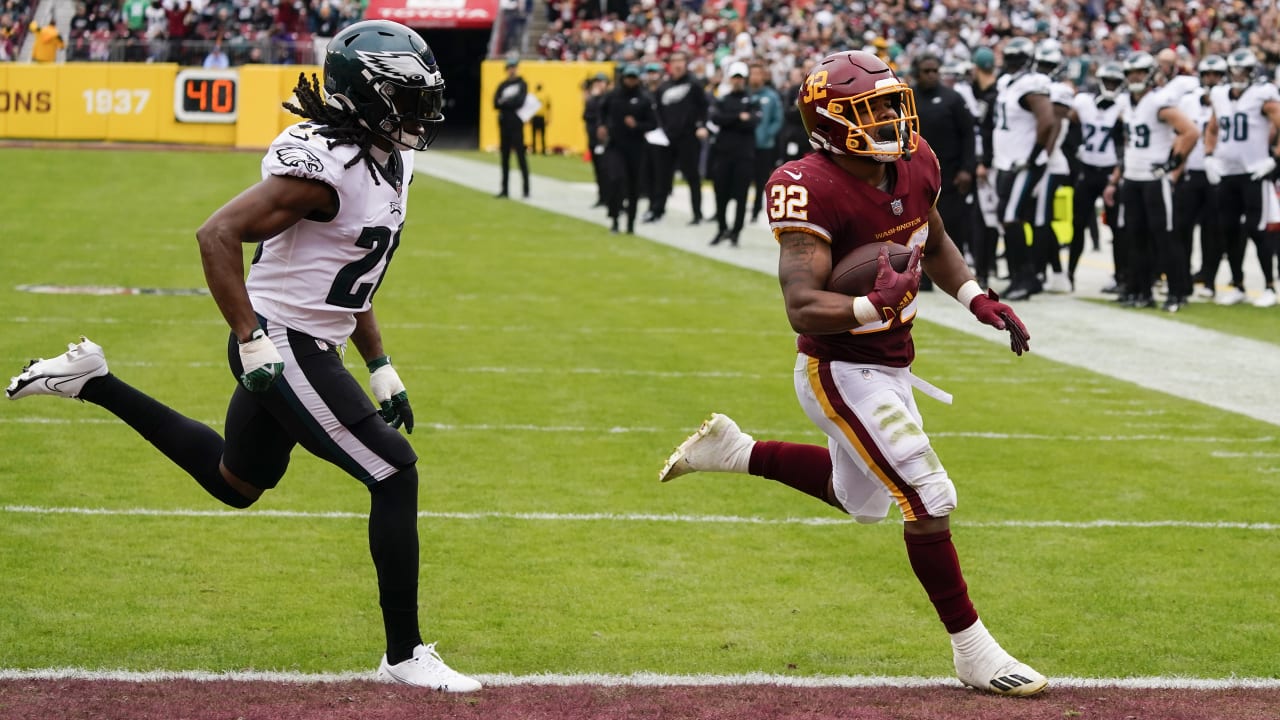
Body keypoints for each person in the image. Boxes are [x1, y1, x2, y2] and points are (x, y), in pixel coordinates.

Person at [4, 20, 480, 693]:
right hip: (283, 343)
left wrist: (379, 363)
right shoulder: (327, 170)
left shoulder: (387, 158)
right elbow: (216, 233)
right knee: (394, 472)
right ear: (365, 97)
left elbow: (351, 275)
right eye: (406, 97)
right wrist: (252, 338)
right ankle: (402, 654)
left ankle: (94, 382)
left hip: (317, 341)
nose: (421, 112)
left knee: (236, 483)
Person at [658, 50, 1041, 698]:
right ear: (831, 123)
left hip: (892, 362)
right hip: (838, 367)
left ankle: (737, 452)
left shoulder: (916, 160)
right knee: (928, 492)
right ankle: (973, 651)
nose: (893, 116)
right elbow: (801, 304)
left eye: (894, 103)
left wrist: (977, 296)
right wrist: (873, 304)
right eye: (874, 108)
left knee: (858, 501)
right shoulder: (806, 184)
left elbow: (935, 238)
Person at [1105, 51, 1199, 312]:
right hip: (1132, 178)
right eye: (1131, 73)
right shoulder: (1125, 102)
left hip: (1154, 179)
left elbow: (1190, 131)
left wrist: (1172, 164)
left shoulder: (1159, 101)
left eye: (1139, 72)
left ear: (1149, 74)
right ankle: (1142, 290)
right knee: (1136, 237)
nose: (1135, 77)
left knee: (1165, 236)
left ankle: (1177, 293)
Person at [1203, 48, 1280, 308]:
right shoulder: (1220, 96)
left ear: (1251, 71)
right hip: (1227, 172)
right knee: (1229, 231)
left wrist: (1275, 158)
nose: (1238, 75)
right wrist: (1209, 156)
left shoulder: (1262, 95)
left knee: (1259, 231)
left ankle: (1269, 285)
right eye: (1234, 70)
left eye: (1243, 70)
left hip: (1255, 172)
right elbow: (1212, 129)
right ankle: (1237, 284)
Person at [991, 37, 1059, 301]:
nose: (1012, 64)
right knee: (1007, 218)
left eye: (1016, 59)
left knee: (1010, 217)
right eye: (1009, 58)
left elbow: (1047, 122)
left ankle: (1026, 277)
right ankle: (1023, 275)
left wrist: (1032, 157)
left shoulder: (1032, 84)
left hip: (1023, 163)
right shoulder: (1007, 83)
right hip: (1006, 161)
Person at [911, 52, 976, 292]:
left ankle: (955, 276)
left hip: (948, 172)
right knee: (918, 226)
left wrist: (967, 168)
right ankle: (922, 276)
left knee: (951, 226)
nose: (932, 75)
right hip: (916, 174)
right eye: (927, 71)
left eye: (935, 71)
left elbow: (968, 134)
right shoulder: (909, 98)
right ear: (917, 73)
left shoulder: (952, 99)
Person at [1069, 62, 1125, 290]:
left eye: (1115, 82)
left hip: (1112, 171)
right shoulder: (1083, 102)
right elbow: (1069, 121)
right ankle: (1069, 274)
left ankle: (1120, 275)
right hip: (1089, 169)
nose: (1111, 86)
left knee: (1117, 227)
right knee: (1078, 224)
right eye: (1108, 81)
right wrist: (1076, 147)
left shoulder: (1123, 105)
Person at [1179, 56, 1225, 301]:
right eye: (1207, 74)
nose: (1211, 79)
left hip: (1217, 173)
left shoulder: (1228, 99)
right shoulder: (1188, 101)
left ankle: (1209, 279)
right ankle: (1183, 278)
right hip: (1192, 169)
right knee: (1183, 227)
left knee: (1212, 230)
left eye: (1216, 75)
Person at [652, 51, 710, 225]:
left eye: (681, 61)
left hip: (688, 137)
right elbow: (658, 112)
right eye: (674, 61)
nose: (677, 65)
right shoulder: (663, 87)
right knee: (662, 175)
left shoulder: (694, 84)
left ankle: (697, 213)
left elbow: (704, 107)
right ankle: (658, 210)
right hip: (667, 137)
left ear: (686, 64)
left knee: (692, 176)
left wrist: (701, 125)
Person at [597, 64, 657, 234]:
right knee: (616, 179)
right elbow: (601, 110)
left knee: (633, 186)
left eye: (633, 78)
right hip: (615, 144)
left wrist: (637, 125)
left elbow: (653, 123)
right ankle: (615, 218)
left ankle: (630, 223)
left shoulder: (644, 99)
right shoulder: (614, 96)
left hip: (636, 147)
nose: (630, 81)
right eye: (628, 78)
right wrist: (602, 125)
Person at [708, 61, 758, 246]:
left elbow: (752, 122)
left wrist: (729, 120)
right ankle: (722, 228)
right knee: (720, 193)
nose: (737, 81)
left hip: (744, 155)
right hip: (723, 153)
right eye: (734, 77)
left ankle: (736, 231)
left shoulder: (752, 100)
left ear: (744, 79)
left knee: (741, 195)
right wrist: (738, 117)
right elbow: (715, 118)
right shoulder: (723, 99)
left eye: (740, 78)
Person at [747, 60, 783, 225]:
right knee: (742, 178)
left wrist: (768, 134)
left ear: (763, 76)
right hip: (744, 145)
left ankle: (755, 210)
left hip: (764, 146)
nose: (755, 76)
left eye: (758, 73)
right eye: (752, 73)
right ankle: (741, 207)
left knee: (761, 179)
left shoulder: (771, 96)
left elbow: (777, 119)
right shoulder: (745, 94)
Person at [494, 57, 530, 199]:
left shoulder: (522, 83)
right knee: (504, 158)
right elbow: (495, 103)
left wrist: (505, 102)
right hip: (504, 125)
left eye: (514, 67)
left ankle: (526, 189)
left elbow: (520, 102)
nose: (512, 70)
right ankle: (504, 189)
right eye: (510, 67)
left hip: (516, 124)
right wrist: (508, 103)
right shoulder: (502, 85)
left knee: (521, 156)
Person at [582, 72, 610, 208]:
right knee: (598, 171)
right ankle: (602, 197)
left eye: (601, 82)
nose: (598, 85)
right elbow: (586, 116)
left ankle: (611, 198)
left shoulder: (608, 99)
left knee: (608, 171)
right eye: (596, 82)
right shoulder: (592, 100)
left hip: (606, 142)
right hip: (593, 139)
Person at [529, 82, 551, 155]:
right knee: (541, 135)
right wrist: (548, 118)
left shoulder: (534, 96)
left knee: (535, 134)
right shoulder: (545, 96)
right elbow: (548, 108)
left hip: (536, 116)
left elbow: (530, 108)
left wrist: (530, 118)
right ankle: (543, 150)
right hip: (541, 117)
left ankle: (535, 150)